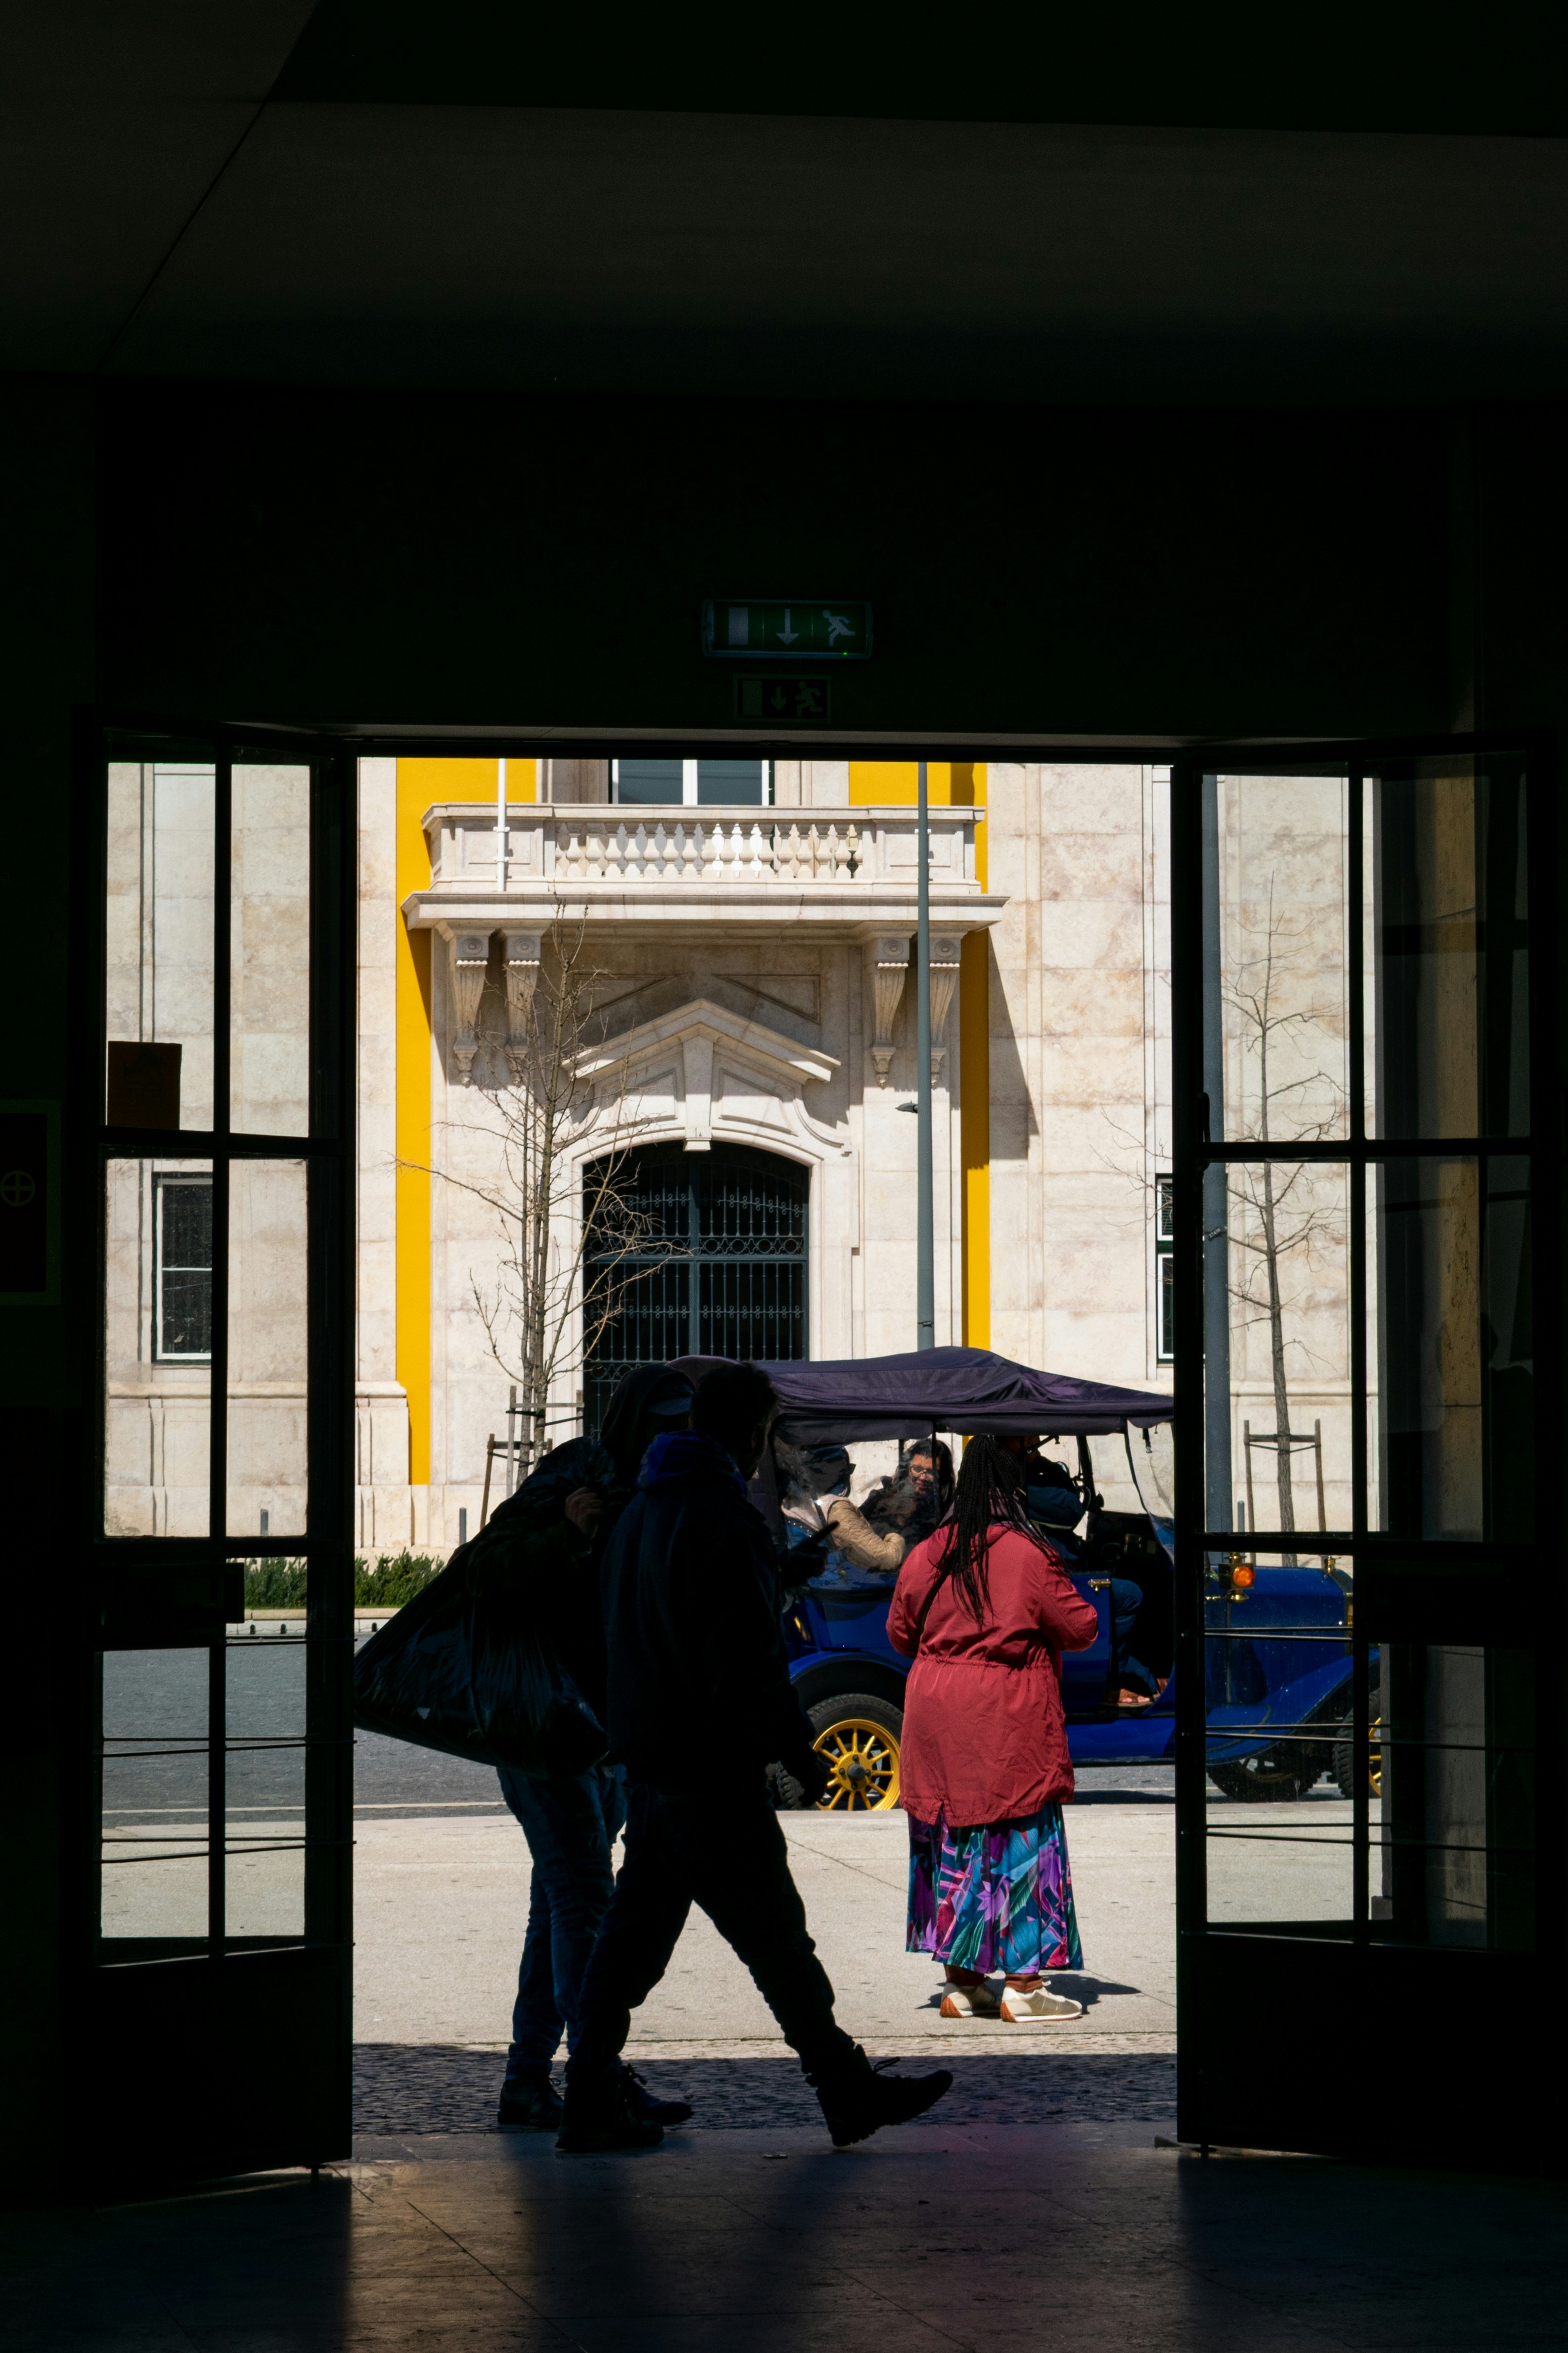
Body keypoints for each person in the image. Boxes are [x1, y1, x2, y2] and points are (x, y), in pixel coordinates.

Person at [557, 1360, 953, 2152]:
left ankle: (590, 2092)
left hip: (655, 1763)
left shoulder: (640, 1513)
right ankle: (842, 2087)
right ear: (752, 1433)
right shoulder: (721, 1519)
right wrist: (800, 1756)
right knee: (774, 1939)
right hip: (709, 1768)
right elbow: (745, 1662)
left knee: (631, 1939)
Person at [488, 1364, 695, 2131]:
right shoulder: (580, 1473)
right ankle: (595, 2078)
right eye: (663, 1416)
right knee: (581, 1899)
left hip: (611, 1730)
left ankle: (529, 2078)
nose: (672, 1430)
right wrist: (568, 1536)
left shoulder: (668, 1488)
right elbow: (496, 1563)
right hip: (548, 1726)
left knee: (562, 1901)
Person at [889, 1432, 1100, 2024]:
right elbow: (1080, 1626)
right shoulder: (1027, 1553)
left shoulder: (928, 1550)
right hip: (1002, 1714)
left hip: (934, 1712)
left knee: (951, 1839)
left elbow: (900, 1632)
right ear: (1014, 1487)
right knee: (1019, 1840)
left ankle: (962, 1984)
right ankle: (1025, 1987)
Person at [1010, 1433, 1162, 1706]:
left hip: (1059, 1569)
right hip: (1054, 1578)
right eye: (1029, 1436)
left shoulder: (1032, 1473)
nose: (1036, 1439)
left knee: (1128, 1586)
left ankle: (1141, 1675)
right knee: (1130, 1595)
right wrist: (1046, 1467)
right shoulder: (1018, 1481)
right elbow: (1071, 1509)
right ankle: (1112, 1682)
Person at [780, 1442, 906, 1581]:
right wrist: (897, 1532)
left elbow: (846, 1530)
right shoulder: (836, 1508)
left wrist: (872, 1502)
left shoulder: (790, 1501)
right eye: (847, 1470)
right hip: (848, 1586)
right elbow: (886, 1559)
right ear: (837, 1473)